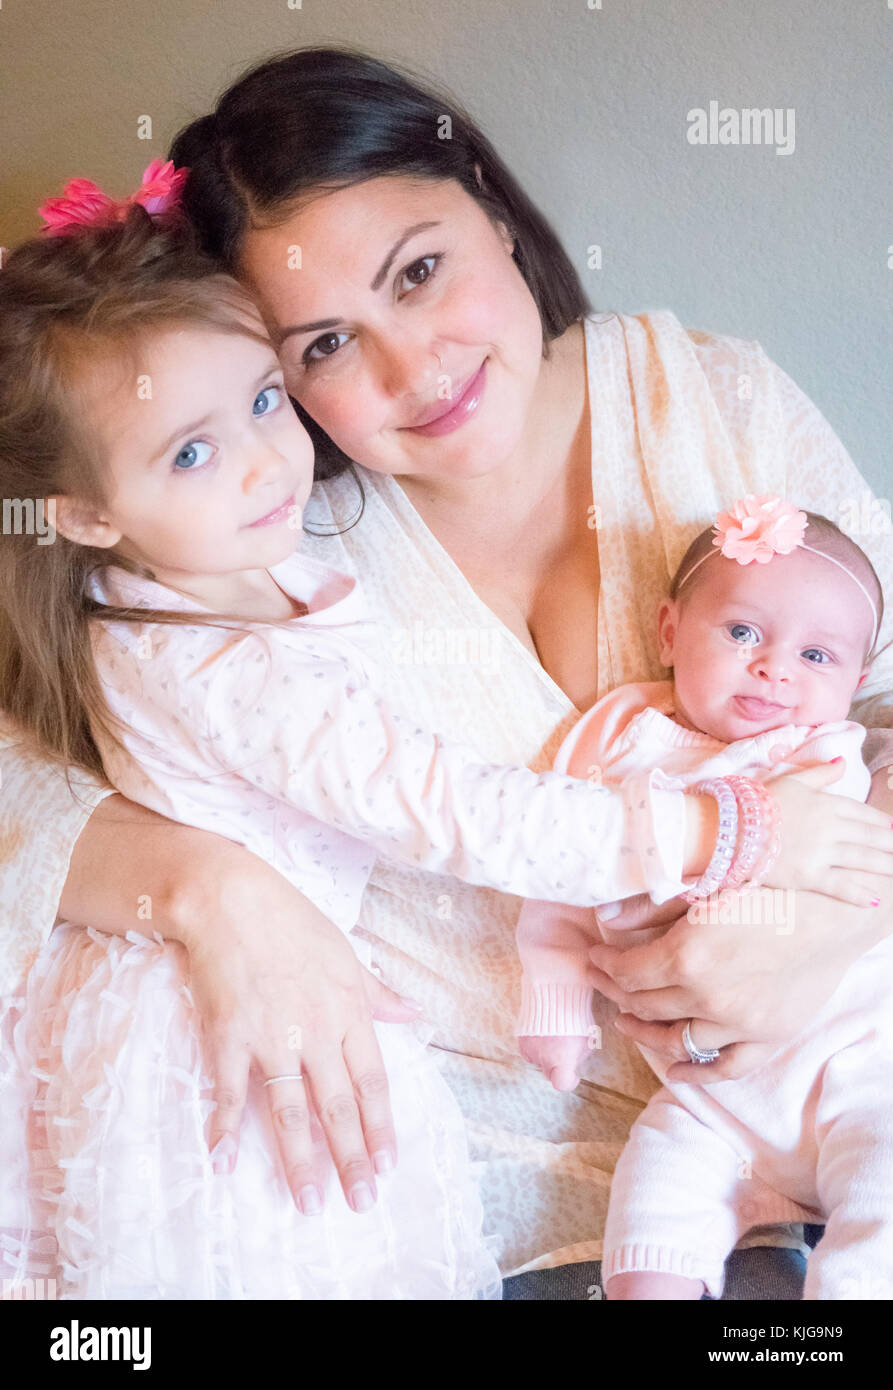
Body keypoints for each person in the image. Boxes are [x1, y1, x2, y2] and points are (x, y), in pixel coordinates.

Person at [2, 46, 891, 1298]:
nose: (412, 369)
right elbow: (30, 765)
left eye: (420, 272)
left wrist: (835, 917)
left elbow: (881, 698)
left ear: (483, 194)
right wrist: (207, 892)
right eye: (321, 346)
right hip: (483, 1198)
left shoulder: (711, 397)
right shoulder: (254, 530)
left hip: (834, 1118)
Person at [515, 495, 893, 1298]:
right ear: (667, 631)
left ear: (855, 681)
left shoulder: (829, 761)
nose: (774, 668)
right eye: (743, 633)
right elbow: (553, 882)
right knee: (651, 1207)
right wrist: (553, 1006)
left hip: (855, 1068)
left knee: (879, 1209)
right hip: (705, 1099)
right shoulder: (618, 745)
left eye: (817, 658)